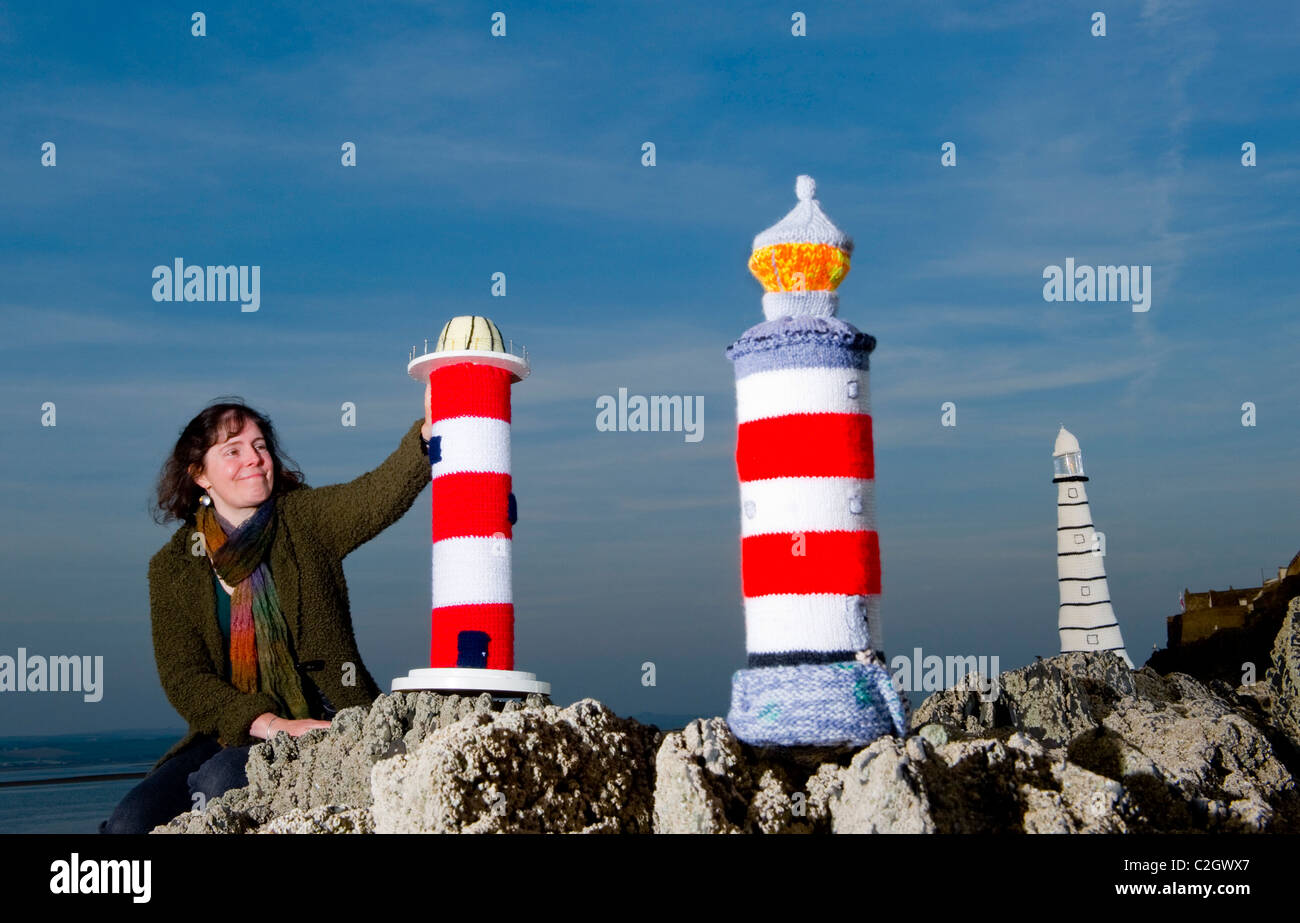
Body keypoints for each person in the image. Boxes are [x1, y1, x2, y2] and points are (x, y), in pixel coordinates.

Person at [99, 391, 433, 833]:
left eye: (260, 446)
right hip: (234, 726)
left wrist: (430, 431)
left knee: (225, 779)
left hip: (324, 718)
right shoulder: (173, 566)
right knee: (130, 821)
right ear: (200, 475)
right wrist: (270, 724)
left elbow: (378, 493)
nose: (253, 459)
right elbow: (185, 677)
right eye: (232, 450)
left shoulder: (305, 520)